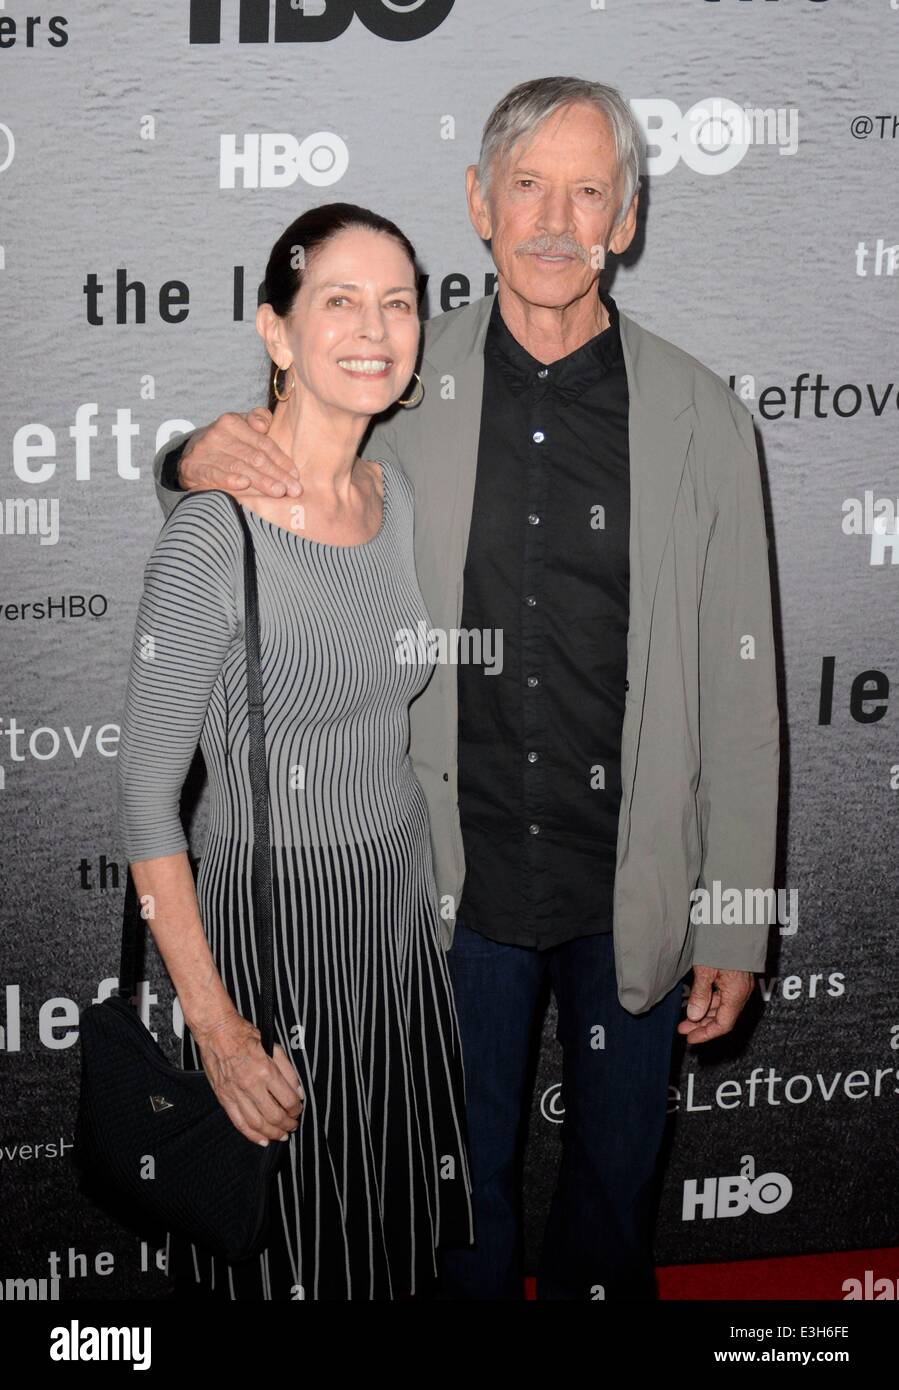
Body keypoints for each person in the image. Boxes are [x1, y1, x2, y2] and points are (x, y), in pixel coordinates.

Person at [151, 77, 780, 1300]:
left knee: (613, 1204)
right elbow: (256, 451)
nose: (554, 218)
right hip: (444, 888)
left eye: (586, 190)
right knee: (458, 1220)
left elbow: (739, 689)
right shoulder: (393, 376)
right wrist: (176, 454)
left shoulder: (701, 416)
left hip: (629, 880)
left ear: (628, 217)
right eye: (527, 186)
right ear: (477, 204)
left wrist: (736, 914)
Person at [117, 203, 474, 1302]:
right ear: (276, 333)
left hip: (395, 932)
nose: (375, 326)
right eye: (339, 300)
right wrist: (218, 1032)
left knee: (383, 1240)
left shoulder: (394, 493)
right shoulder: (211, 529)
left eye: (398, 302)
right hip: (270, 938)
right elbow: (140, 800)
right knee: (283, 1255)